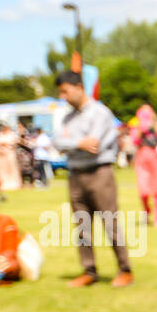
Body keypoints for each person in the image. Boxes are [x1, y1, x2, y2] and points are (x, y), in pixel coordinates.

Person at [53, 70, 131, 287]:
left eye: (65, 91)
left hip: (99, 173)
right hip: (75, 175)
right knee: (82, 226)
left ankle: (125, 269)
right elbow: (57, 142)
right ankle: (89, 270)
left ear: (79, 87)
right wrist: (78, 143)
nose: (63, 97)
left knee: (110, 222)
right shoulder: (67, 116)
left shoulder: (100, 112)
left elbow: (94, 144)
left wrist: (71, 142)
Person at [130, 104, 157, 227]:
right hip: (143, 160)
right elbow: (134, 140)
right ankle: (146, 212)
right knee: (143, 190)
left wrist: (155, 127)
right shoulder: (137, 127)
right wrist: (140, 130)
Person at [0, 122, 22, 191]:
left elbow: (14, 143)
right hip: (1, 155)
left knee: (11, 168)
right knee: (2, 169)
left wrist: (6, 145)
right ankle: (3, 183)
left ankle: (13, 184)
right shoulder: (0, 134)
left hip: (9, 154)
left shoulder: (12, 134)